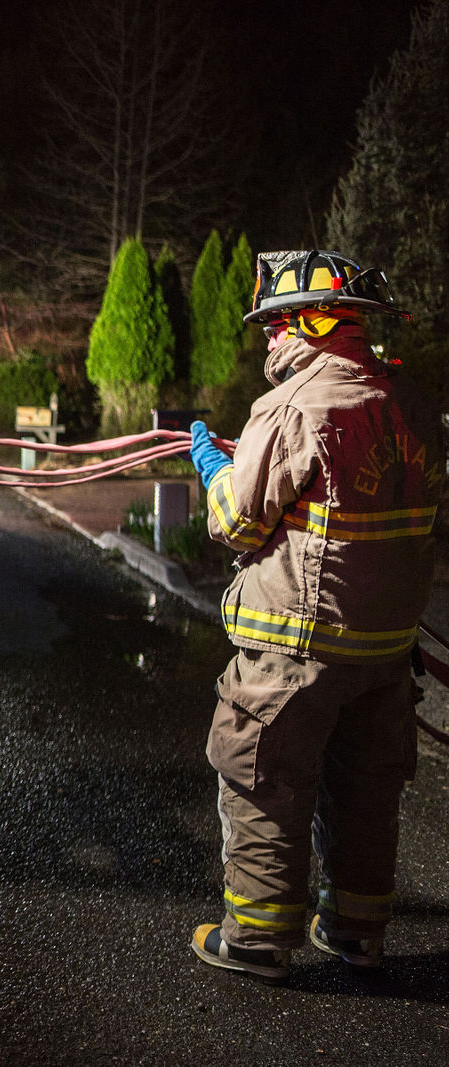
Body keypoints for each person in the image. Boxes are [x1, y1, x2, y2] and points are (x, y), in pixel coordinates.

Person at [186, 249, 445, 980]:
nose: (269, 340)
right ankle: (357, 931)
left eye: (275, 325)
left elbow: (236, 524)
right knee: (365, 789)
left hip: (295, 648)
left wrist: (215, 475)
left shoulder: (293, 405)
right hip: (385, 651)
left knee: (264, 777)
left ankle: (259, 940)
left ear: (317, 319)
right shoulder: (412, 404)